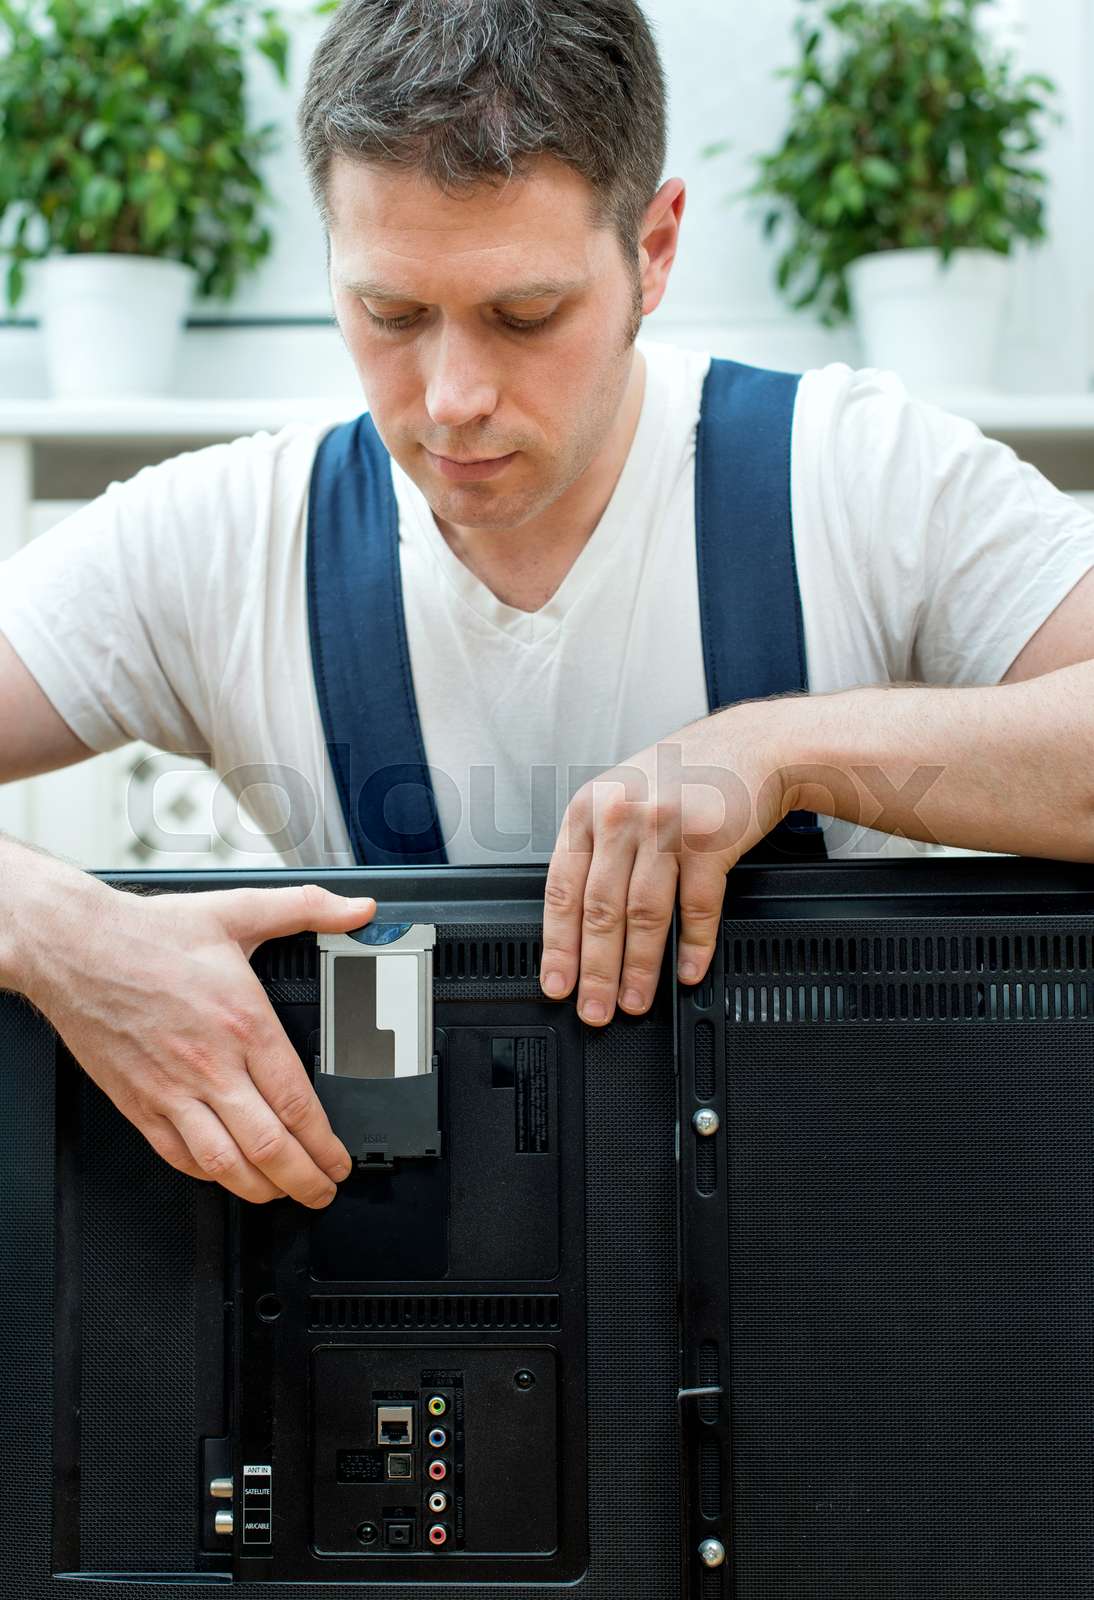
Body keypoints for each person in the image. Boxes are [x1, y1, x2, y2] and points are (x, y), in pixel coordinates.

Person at [1, 0, 1092, 1213]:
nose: (452, 395)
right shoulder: (215, 541)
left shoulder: (859, 476)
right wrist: (52, 928)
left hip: (859, 1308)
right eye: (390, 314)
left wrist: (786, 750)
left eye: (524, 317)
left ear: (654, 248)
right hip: (408, 1334)